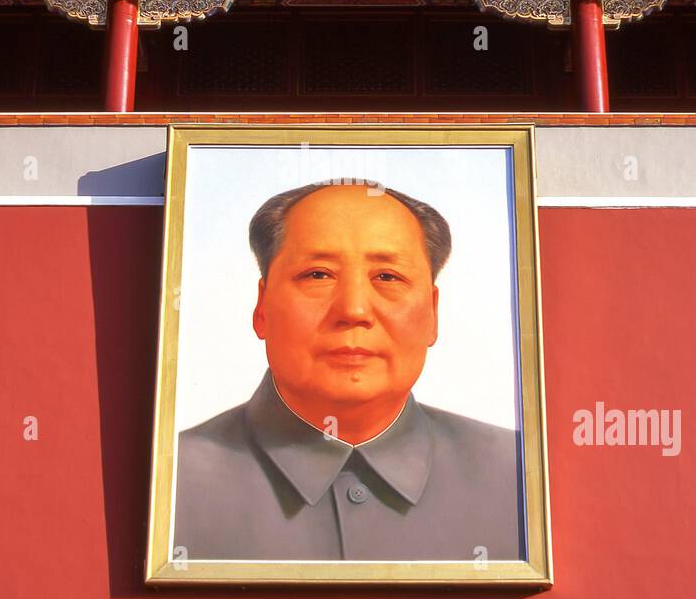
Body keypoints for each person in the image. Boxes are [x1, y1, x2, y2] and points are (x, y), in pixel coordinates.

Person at [174, 180, 522, 562]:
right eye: (318, 275)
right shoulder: (171, 483)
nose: (354, 310)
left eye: (387, 277)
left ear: (433, 314)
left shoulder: (520, 478)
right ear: (261, 307)